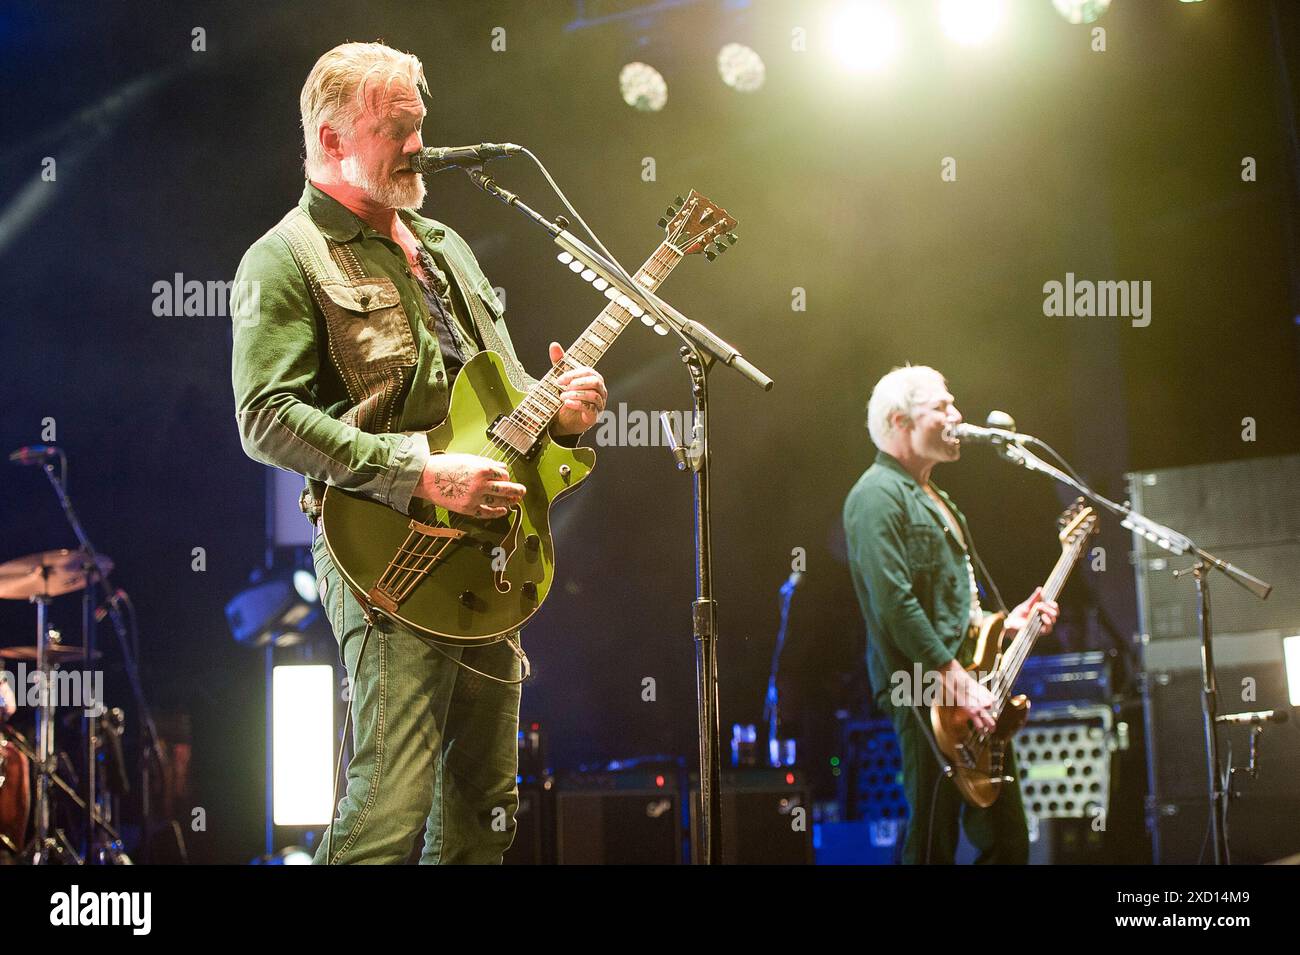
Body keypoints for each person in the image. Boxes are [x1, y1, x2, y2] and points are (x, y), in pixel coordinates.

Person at [231, 42, 607, 864]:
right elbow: (264, 417)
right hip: (384, 552)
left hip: (485, 552)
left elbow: (504, 400)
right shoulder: (284, 257)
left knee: (484, 806)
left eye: (420, 124)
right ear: (331, 139)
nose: (418, 146)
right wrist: (423, 471)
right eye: (395, 128)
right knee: (388, 805)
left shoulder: (445, 246)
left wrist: (566, 419)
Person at [842, 365, 1057, 864]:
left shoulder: (940, 501)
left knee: (1006, 838)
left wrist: (1009, 624)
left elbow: (956, 607)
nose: (957, 415)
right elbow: (894, 603)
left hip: (970, 685)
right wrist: (955, 680)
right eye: (942, 407)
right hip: (921, 686)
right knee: (932, 838)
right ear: (900, 421)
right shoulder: (875, 497)